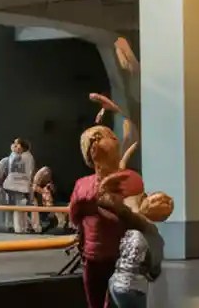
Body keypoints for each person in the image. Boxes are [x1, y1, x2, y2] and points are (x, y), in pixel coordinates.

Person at [70, 125, 134, 308]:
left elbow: (137, 217)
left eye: (105, 137)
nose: (98, 142)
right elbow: (75, 217)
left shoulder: (128, 182)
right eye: (94, 139)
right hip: (92, 255)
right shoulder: (82, 184)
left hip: (123, 256)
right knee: (96, 301)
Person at [106, 178, 174, 308]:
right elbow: (154, 270)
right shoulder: (156, 239)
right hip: (134, 287)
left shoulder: (128, 223)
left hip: (115, 282)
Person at [1, 139, 37, 233]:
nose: (14, 146)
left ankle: (22, 227)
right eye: (14, 144)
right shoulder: (13, 156)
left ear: (23, 147)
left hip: (20, 185)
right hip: (12, 184)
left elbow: (30, 171)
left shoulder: (27, 157)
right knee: (16, 207)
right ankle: (18, 227)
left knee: (20, 206)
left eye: (17, 145)